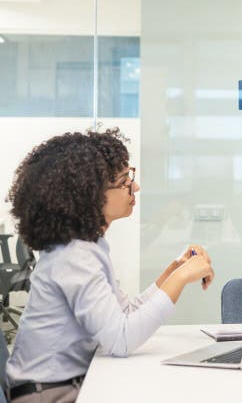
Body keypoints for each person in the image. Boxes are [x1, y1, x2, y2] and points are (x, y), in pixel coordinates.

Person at [4, 129, 215, 403]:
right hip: (46, 394)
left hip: (63, 384)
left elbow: (123, 314)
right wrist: (182, 278)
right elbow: (121, 340)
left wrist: (174, 271)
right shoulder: (73, 258)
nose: (134, 187)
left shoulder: (88, 248)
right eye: (124, 181)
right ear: (89, 194)